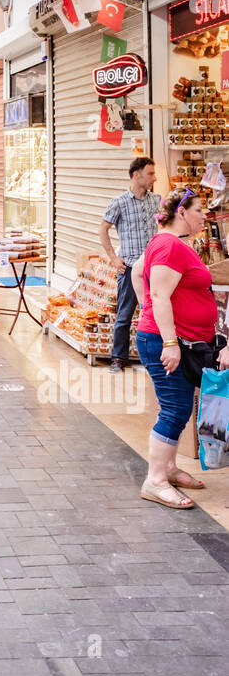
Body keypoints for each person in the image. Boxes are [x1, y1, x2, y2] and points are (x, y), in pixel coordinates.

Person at [132, 187, 229, 509]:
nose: (205, 215)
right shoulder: (170, 245)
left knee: (180, 407)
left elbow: (137, 272)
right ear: (182, 212)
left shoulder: (171, 245)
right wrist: (170, 342)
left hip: (180, 340)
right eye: (200, 209)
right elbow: (159, 296)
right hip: (167, 343)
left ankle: (169, 469)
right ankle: (155, 480)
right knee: (174, 409)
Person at [101, 156, 160, 373]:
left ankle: (154, 355)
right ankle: (118, 358)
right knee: (125, 314)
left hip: (154, 268)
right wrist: (113, 258)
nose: (155, 177)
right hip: (130, 267)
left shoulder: (157, 200)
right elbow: (103, 229)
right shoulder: (119, 202)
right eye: (151, 174)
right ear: (137, 175)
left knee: (155, 311)